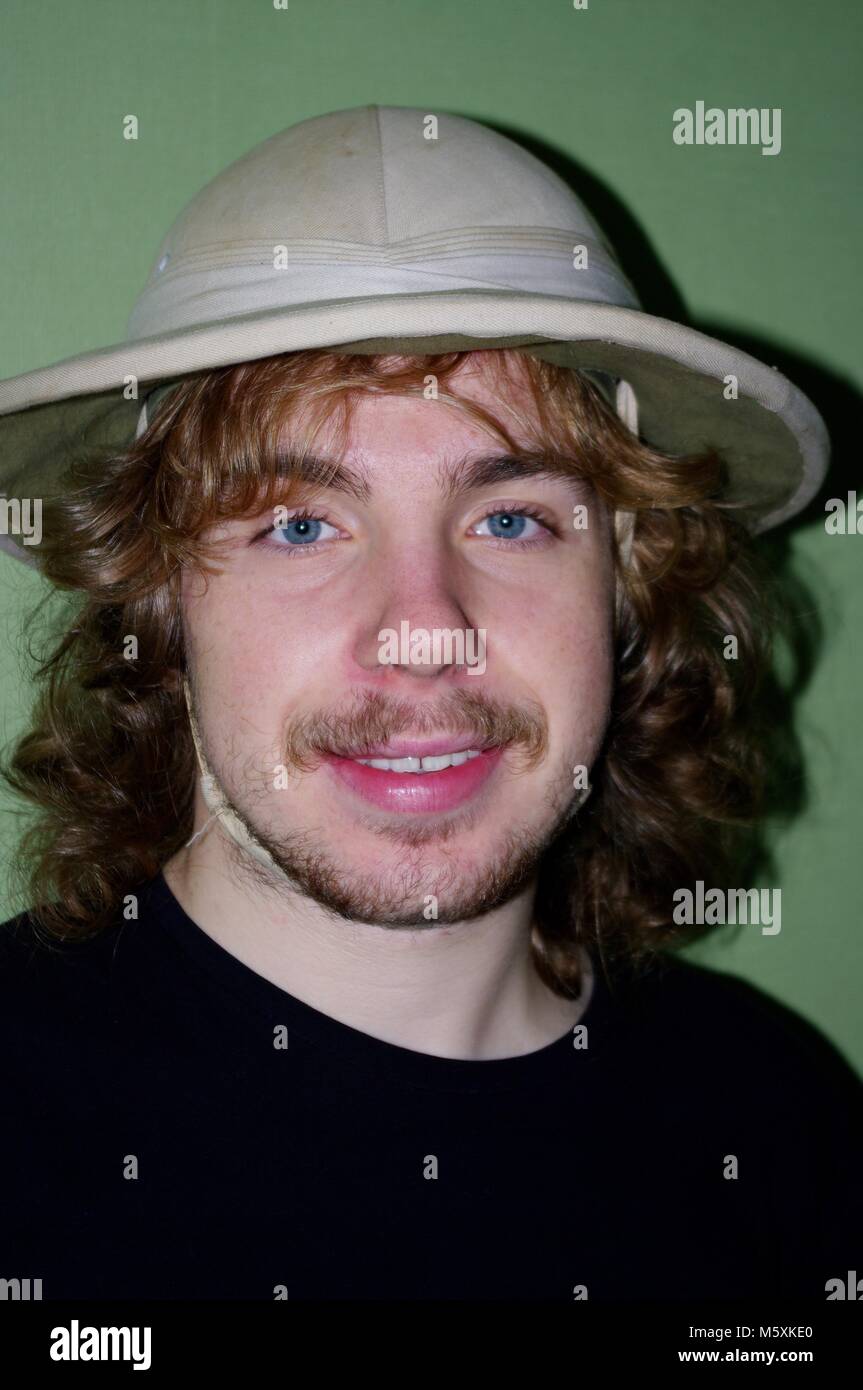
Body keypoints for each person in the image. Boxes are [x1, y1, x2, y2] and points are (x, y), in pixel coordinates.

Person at [0, 105, 859, 1302]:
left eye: (510, 519)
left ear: (626, 583)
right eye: (300, 524)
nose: (421, 631)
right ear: (157, 601)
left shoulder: (776, 1122)